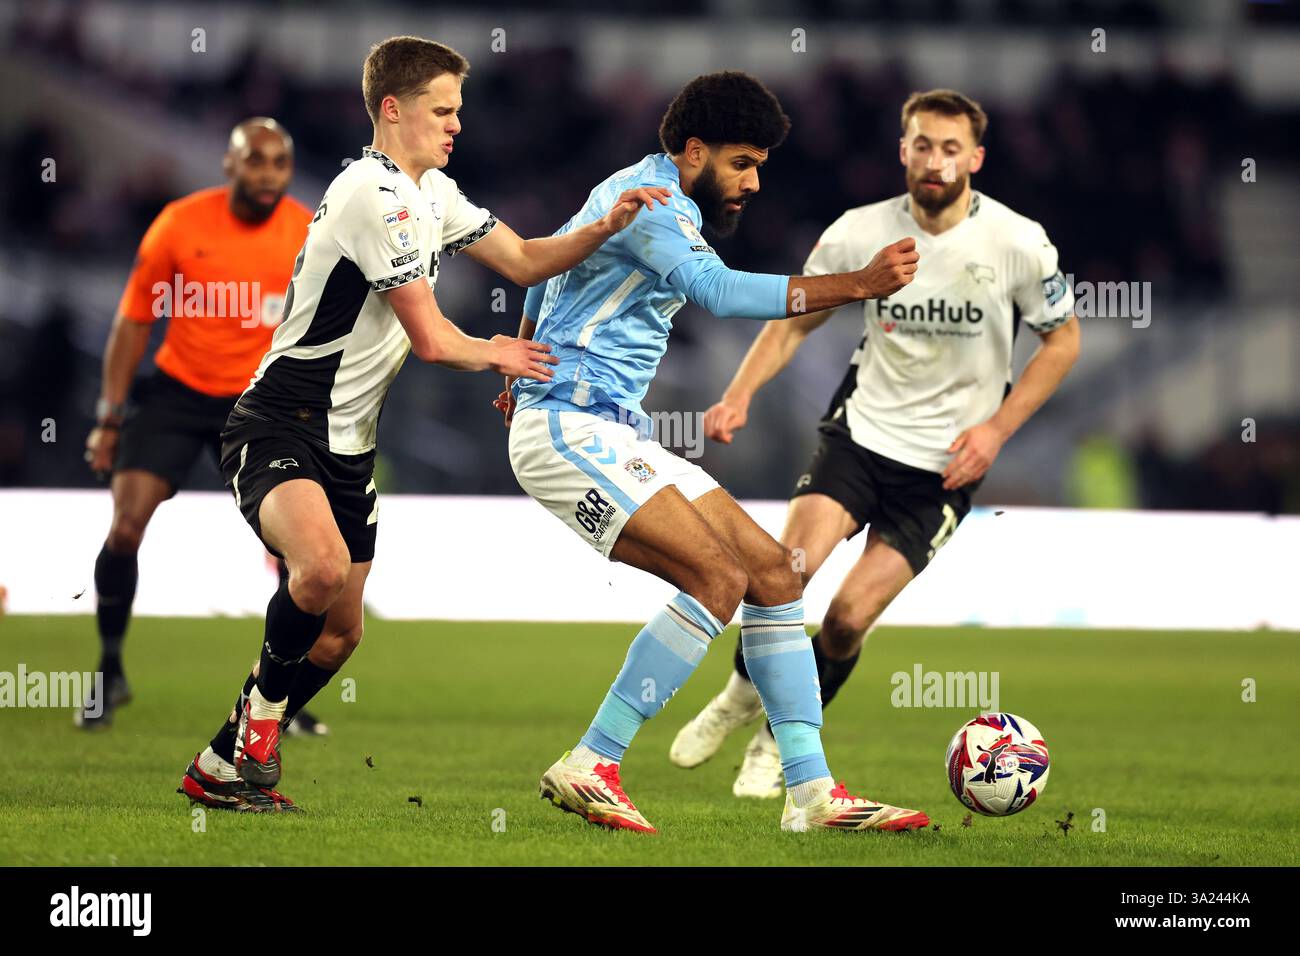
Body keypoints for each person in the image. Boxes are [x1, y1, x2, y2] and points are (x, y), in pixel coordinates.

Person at [178, 36, 671, 813]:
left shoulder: (432, 193)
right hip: (278, 423)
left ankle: (218, 760)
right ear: (392, 109)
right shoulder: (368, 195)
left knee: (341, 635)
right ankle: (260, 735)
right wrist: (499, 353)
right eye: (443, 111)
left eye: (459, 111)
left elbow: (528, 260)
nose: (456, 126)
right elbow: (435, 341)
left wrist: (606, 226)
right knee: (318, 571)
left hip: (349, 446)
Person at [499, 72, 928, 834]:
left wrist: (525, 350)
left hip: (609, 426)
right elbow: (721, 293)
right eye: (741, 162)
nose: (754, 182)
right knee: (717, 576)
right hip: (569, 427)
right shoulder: (655, 206)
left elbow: (548, 259)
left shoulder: (635, 188)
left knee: (771, 573)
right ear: (693, 151)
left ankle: (811, 795)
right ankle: (591, 762)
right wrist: (856, 283)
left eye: (759, 165)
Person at [670, 89, 1081, 799]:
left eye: (951, 148)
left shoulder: (1017, 242)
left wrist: (995, 431)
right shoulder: (861, 231)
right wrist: (739, 393)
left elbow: (1062, 341)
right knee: (783, 574)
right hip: (860, 437)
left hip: (945, 468)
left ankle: (773, 740)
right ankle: (740, 691)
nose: (935, 160)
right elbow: (796, 318)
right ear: (903, 150)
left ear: (975, 159)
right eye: (922, 144)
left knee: (847, 619)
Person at [80, 117, 330, 736]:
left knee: (291, 550)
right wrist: (109, 419)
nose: (267, 173)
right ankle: (110, 668)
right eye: (255, 161)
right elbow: (134, 321)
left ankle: (278, 696)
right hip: (177, 392)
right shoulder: (180, 223)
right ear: (229, 165)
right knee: (127, 525)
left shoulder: (306, 230)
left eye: (278, 162)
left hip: (257, 404)